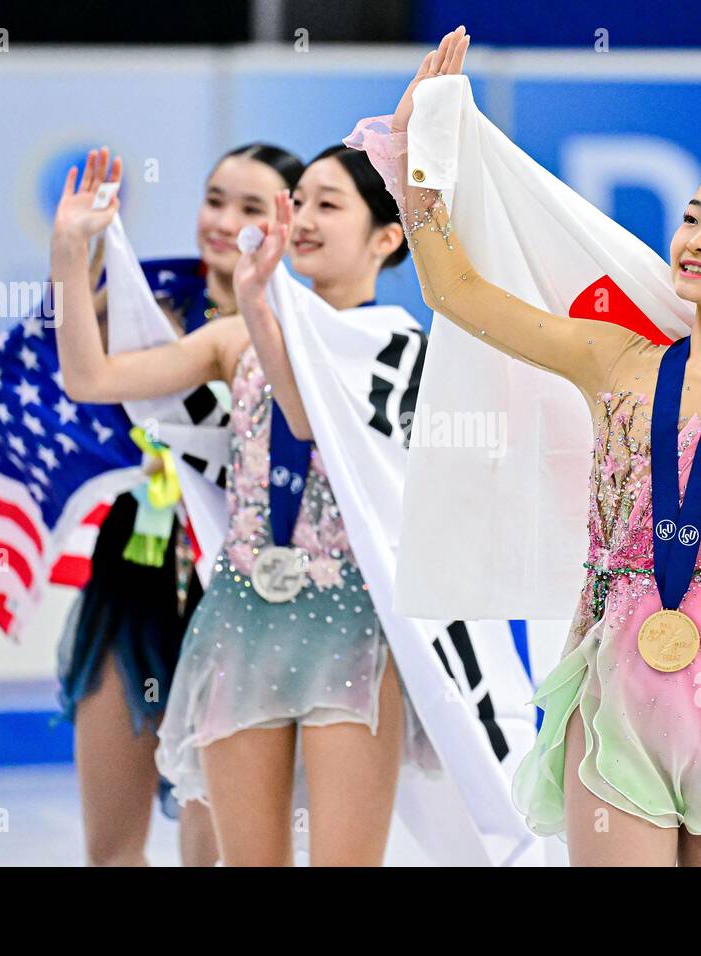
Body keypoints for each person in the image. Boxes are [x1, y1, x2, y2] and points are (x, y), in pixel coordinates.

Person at [355, 26, 701, 867]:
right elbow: (457, 292)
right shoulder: (614, 359)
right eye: (691, 217)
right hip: (615, 679)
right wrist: (416, 166)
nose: (695, 238)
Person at [51, 141, 423, 866]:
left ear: (385, 238)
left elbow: (310, 415)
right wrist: (70, 253)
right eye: (301, 200)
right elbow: (89, 378)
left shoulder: (400, 347)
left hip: (351, 625)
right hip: (241, 618)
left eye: (328, 203)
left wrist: (256, 305)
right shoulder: (234, 337)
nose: (304, 217)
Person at [53, 143, 303, 866]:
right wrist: (75, 253)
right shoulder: (153, 301)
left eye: (250, 207)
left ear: (285, 220)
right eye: (214, 199)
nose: (223, 221)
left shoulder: (302, 331)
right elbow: (79, 371)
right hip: (138, 571)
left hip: (241, 588)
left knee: (213, 850)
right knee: (110, 848)